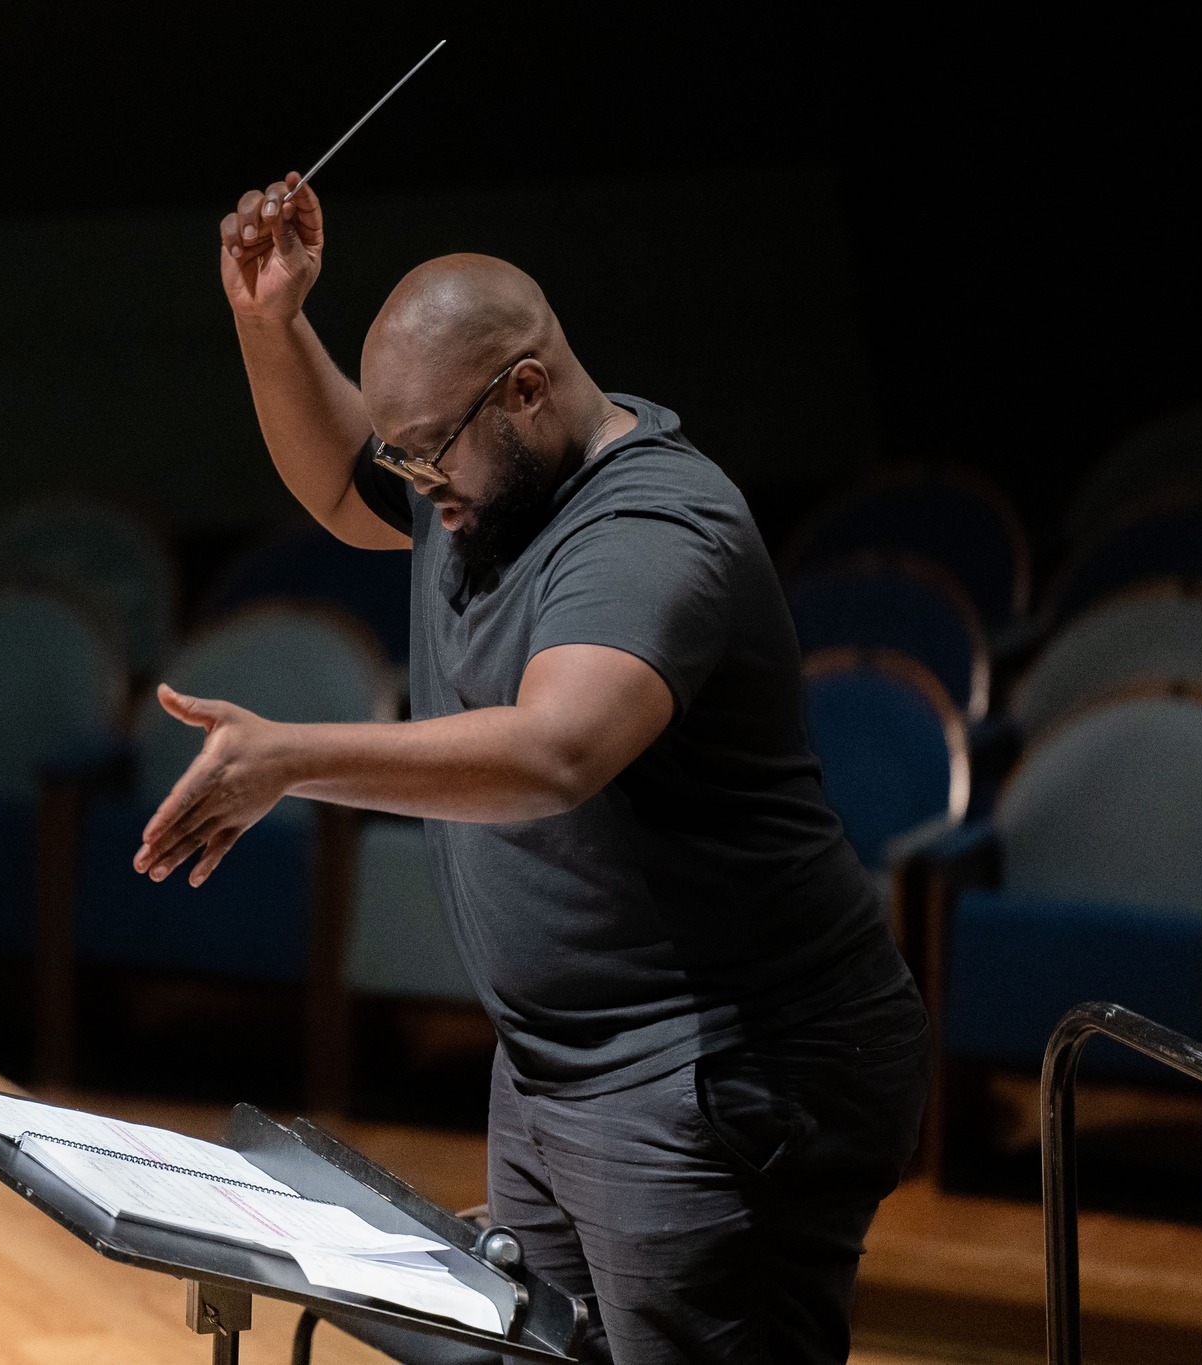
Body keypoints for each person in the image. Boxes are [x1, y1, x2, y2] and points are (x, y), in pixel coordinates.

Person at [129, 172, 930, 1365]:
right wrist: (270, 323)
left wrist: (290, 759)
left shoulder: (651, 527)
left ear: (525, 390)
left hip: (718, 1070)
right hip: (561, 1065)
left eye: (426, 456)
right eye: (402, 462)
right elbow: (341, 478)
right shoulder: (481, 490)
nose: (413, 490)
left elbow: (558, 751)